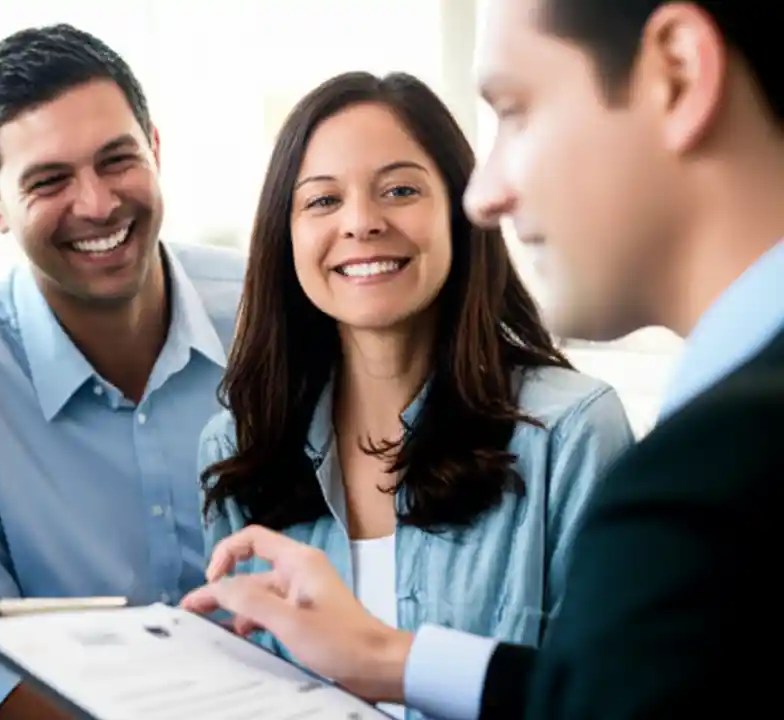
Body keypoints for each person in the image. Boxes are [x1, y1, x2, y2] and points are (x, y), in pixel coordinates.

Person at [182, 0, 784, 718]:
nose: (488, 194)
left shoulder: (637, 450)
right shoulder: (236, 448)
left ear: (680, 75)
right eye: (321, 201)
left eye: (517, 111)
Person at [197, 70, 634, 719]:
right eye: (322, 201)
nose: (362, 223)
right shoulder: (240, 445)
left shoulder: (571, 430)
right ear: (283, 238)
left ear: (464, 211)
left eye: (400, 190)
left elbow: (612, 695)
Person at [0, 23, 245, 720]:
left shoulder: (275, 313)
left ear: (156, 150)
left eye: (117, 161)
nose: (98, 203)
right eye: (50, 181)